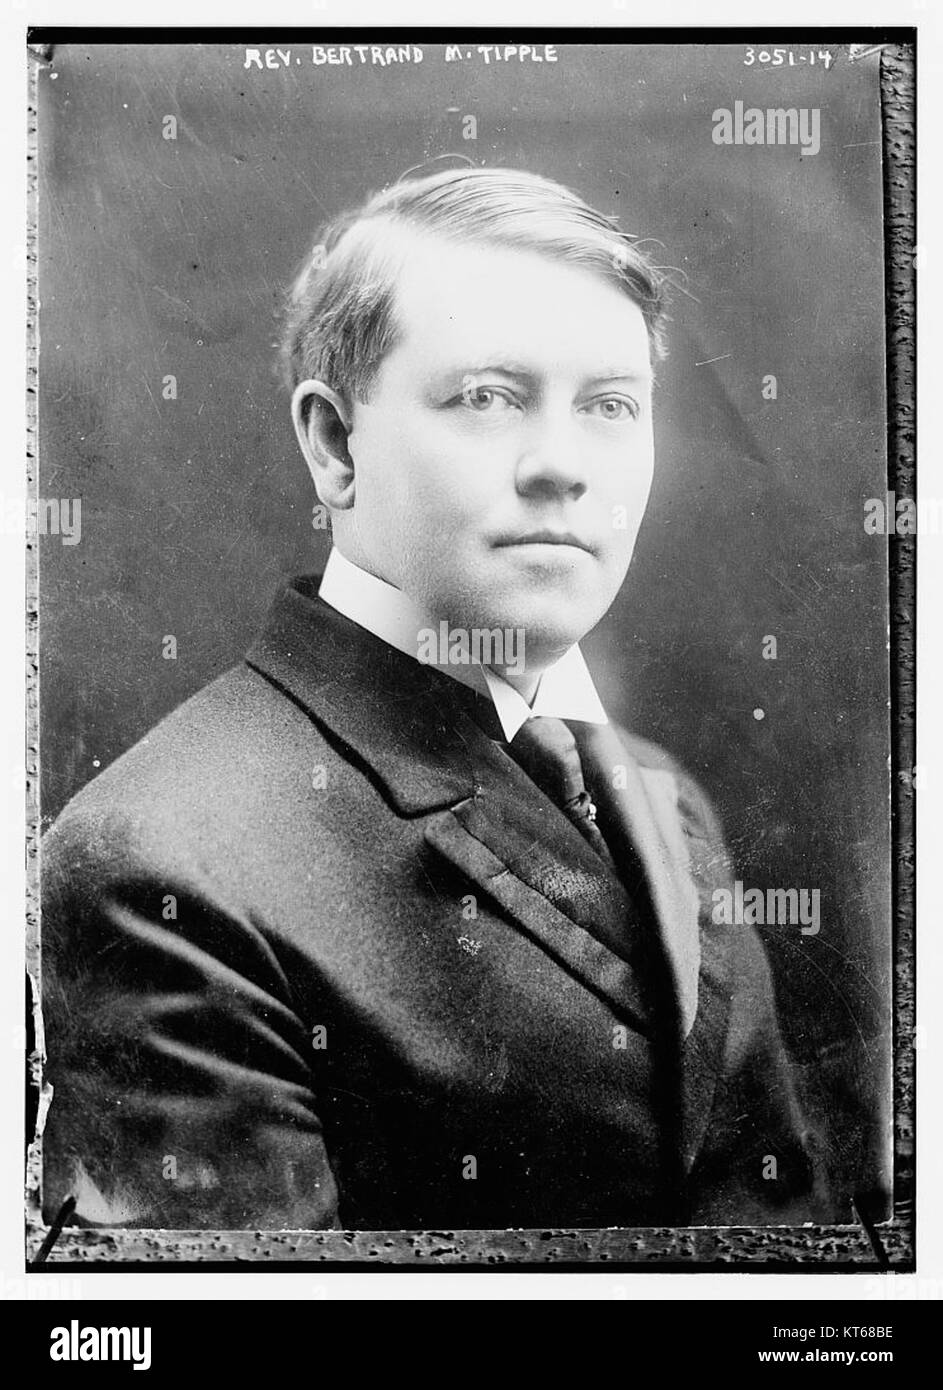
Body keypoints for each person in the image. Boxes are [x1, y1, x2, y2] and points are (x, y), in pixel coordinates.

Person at [40, 166, 824, 1231]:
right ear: (333, 444)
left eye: (609, 405)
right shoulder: (161, 862)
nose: (562, 466)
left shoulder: (656, 795)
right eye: (488, 398)